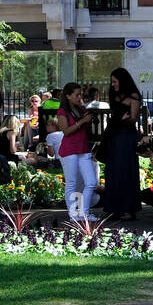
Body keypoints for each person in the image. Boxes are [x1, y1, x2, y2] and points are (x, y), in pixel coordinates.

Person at [99, 67, 143, 220]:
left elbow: (133, 118)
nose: (113, 85)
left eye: (115, 82)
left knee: (125, 171)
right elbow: (119, 116)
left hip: (126, 137)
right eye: (112, 82)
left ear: (122, 81)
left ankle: (127, 209)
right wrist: (120, 119)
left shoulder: (134, 96)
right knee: (113, 172)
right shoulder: (114, 95)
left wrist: (123, 119)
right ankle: (114, 208)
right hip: (114, 135)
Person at [56, 82, 99, 220]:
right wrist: (81, 122)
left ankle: (84, 213)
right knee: (71, 183)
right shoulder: (62, 111)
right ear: (68, 96)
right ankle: (73, 214)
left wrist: (89, 120)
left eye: (80, 94)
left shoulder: (81, 109)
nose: (79, 97)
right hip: (69, 150)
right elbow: (66, 131)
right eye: (77, 95)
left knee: (91, 182)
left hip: (83, 148)